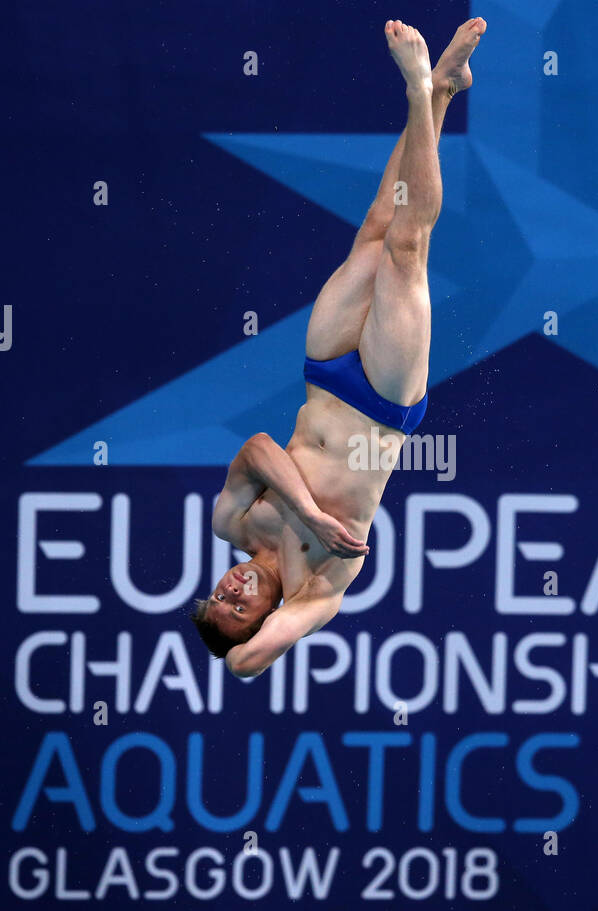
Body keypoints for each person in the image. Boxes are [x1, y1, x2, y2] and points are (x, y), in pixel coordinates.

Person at [190, 17, 486, 677]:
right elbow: (243, 666)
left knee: (381, 226)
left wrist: (302, 512)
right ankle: (420, 93)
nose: (231, 590)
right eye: (235, 608)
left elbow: (258, 449)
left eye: (219, 592)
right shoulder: (316, 590)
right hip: (384, 399)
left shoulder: (233, 526)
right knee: (408, 250)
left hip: (324, 375)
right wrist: (309, 539)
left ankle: (441, 91)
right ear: (263, 622)